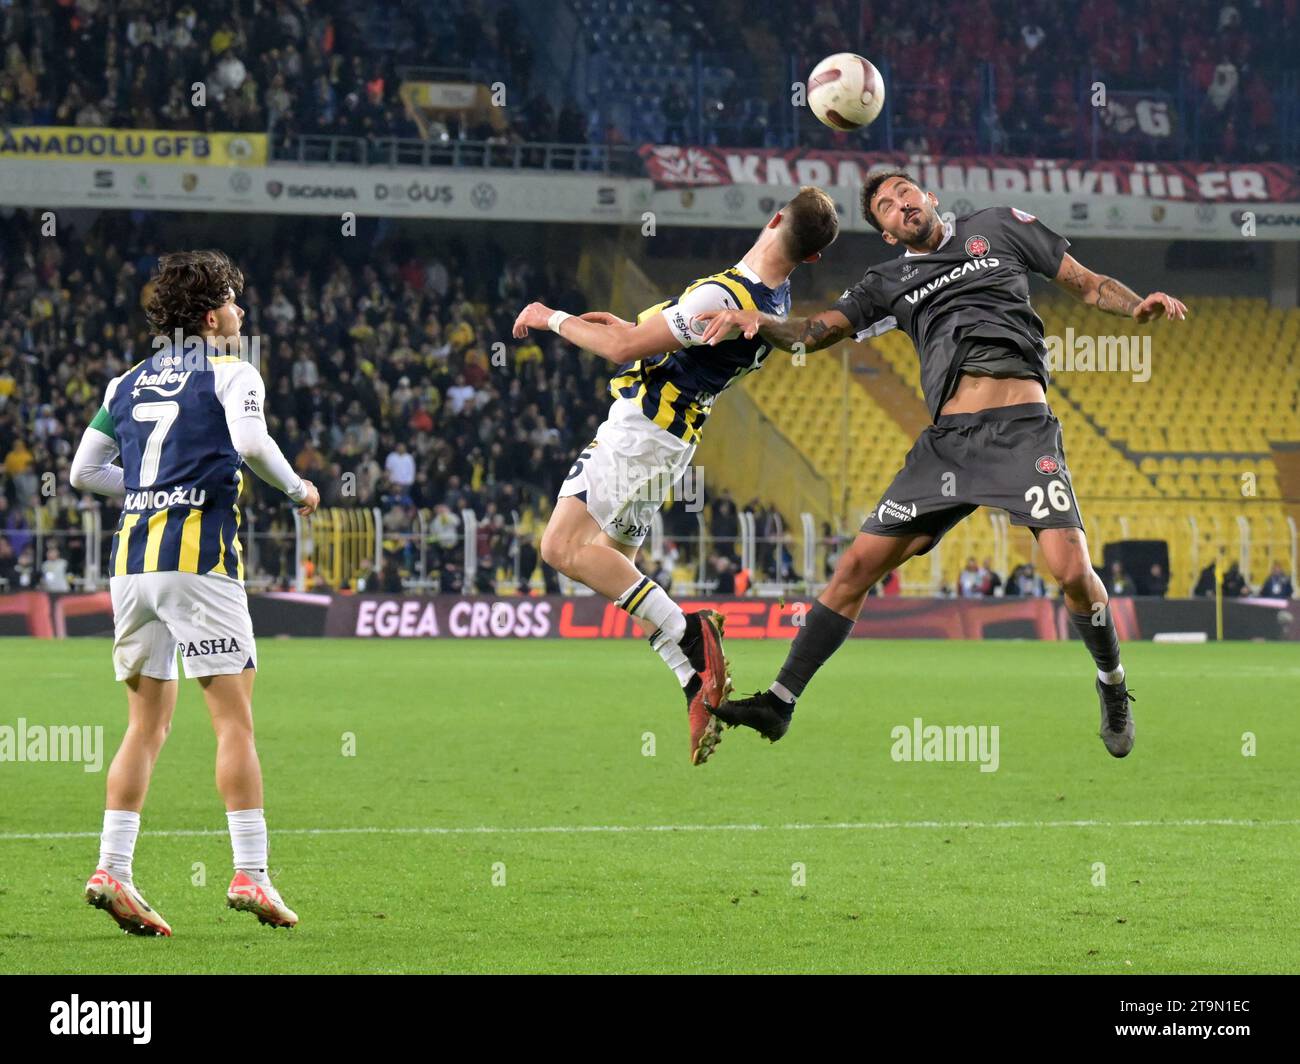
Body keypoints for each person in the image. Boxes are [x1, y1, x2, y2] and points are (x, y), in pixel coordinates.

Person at [701, 170, 1187, 760]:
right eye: (885, 205)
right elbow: (812, 331)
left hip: (1020, 433)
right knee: (856, 565)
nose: (900, 203)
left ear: (929, 197)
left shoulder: (999, 227)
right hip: (947, 445)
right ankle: (779, 702)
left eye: (905, 191)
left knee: (1070, 571)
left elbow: (1086, 285)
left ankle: (1112, 683)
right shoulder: (888, 281)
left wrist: (1139, 305)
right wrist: (764, 323)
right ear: (884, 232)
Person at [512, 187, 840, 764]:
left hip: (640, 431)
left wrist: (550, 318)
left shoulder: (724, 294)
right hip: (671, 443)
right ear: (812, 258)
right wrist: (636, 334)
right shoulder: (772, 304)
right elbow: (655, 342)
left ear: (774, 217)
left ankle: (691, 632)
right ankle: (692, 680)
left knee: (561, 546)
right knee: (618, 569)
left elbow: (620, 349)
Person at [69, 250, 319, 937]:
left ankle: (112, 868)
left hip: (132, 566)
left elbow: (83, 470)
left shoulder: (126, 380)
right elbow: (250, 442)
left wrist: (149, 489)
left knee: (144, 726)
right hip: (197, 564)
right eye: (235, 302)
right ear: (213, 316)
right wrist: (299, 490)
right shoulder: (233, 371)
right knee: (233, 720)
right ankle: (252, 875)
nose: (242, 312)